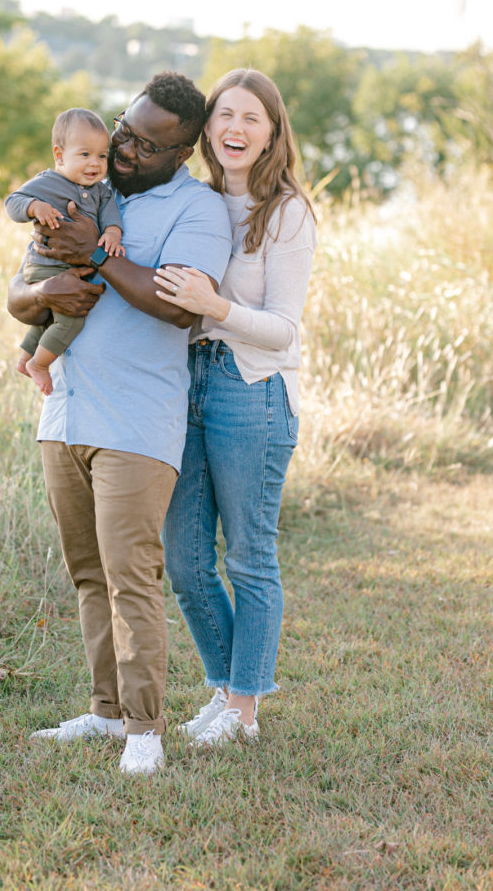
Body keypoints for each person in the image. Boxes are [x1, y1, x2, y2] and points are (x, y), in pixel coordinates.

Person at [6, 72, 232, 776]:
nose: (124, 147)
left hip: (136, 419)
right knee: (86, 574)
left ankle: (144, 730)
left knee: (131, 574)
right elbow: (18, 292)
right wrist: (43, 287)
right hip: (64, 408)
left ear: (182, 152)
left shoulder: (198, 211)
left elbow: (178, 307)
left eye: (144, 143)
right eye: (125, 130)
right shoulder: (74, 191)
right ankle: (105, 713)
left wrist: (98, 252)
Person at [154, 68, 317, 746]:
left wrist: (215, 308)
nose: (235, 129)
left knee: (249, 556)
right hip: (183, 385)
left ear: (273, 131)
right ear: (206, 127)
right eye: (225, 115)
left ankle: (245, 710)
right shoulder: (189, 201)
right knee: (186, 557)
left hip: (252, 391)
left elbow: (285, 330)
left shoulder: (285, 212)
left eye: (252, 117)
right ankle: (223, 691)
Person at [5, 108, 124, 395]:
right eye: (84, 155)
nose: (94, 164)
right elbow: (13, 202)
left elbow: (112, 219)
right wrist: (35, 206)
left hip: (67, 270)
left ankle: (25, 357)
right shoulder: (48, 182)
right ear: (59, 156)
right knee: (72, 319)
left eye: (101, 156)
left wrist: (112, 233)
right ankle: (40, 365)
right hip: (45, 265)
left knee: (54, 314)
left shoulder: (101, 192)